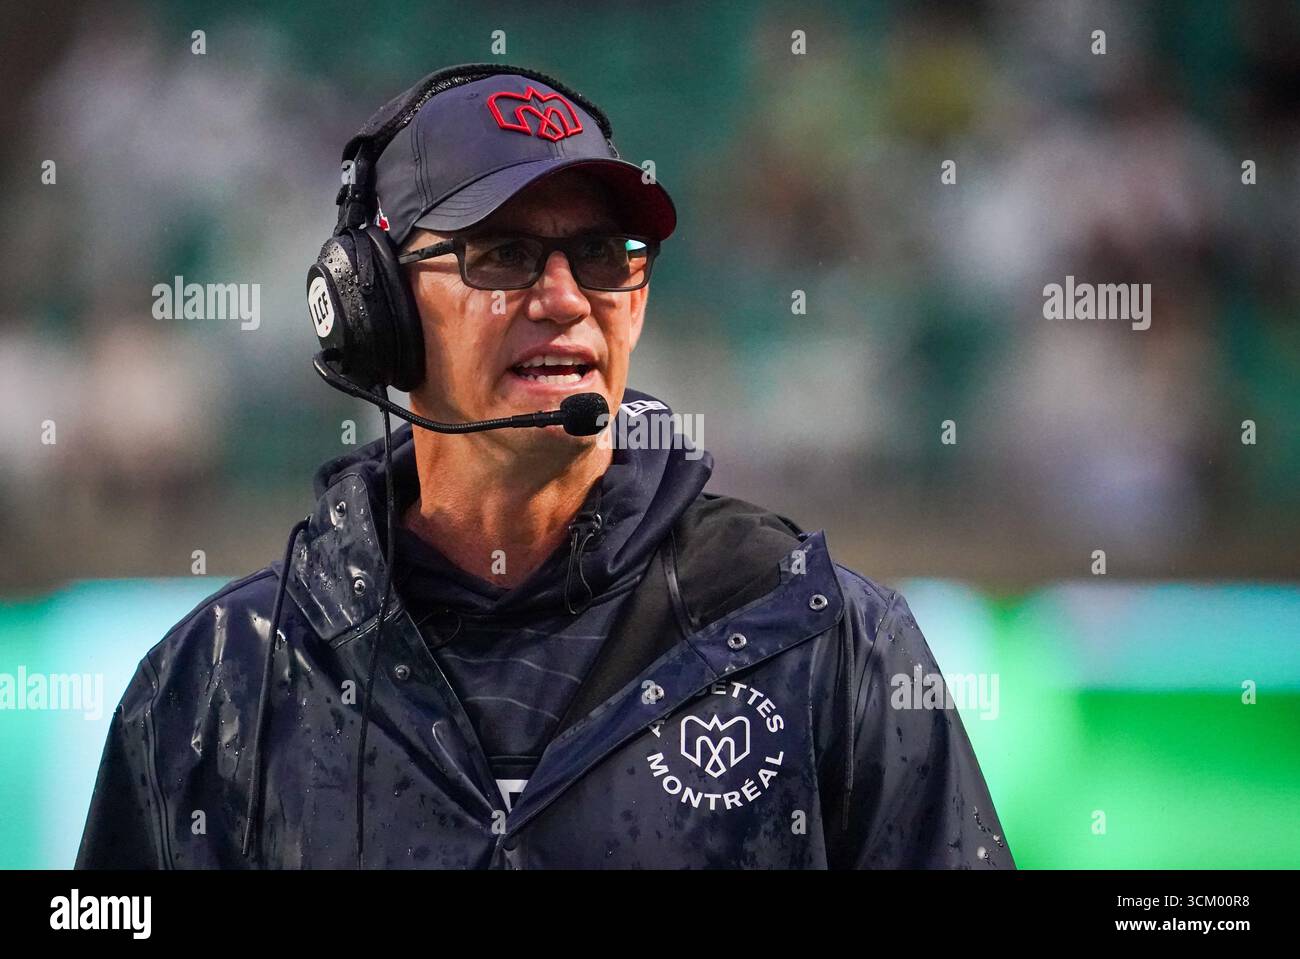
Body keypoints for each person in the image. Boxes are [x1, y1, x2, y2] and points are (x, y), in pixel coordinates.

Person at [75, 63, 1013, 869]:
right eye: (506, 254)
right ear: (376, 310)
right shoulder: (217, 683)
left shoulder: (820, 636)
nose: (566, 298)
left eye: (604, 255)